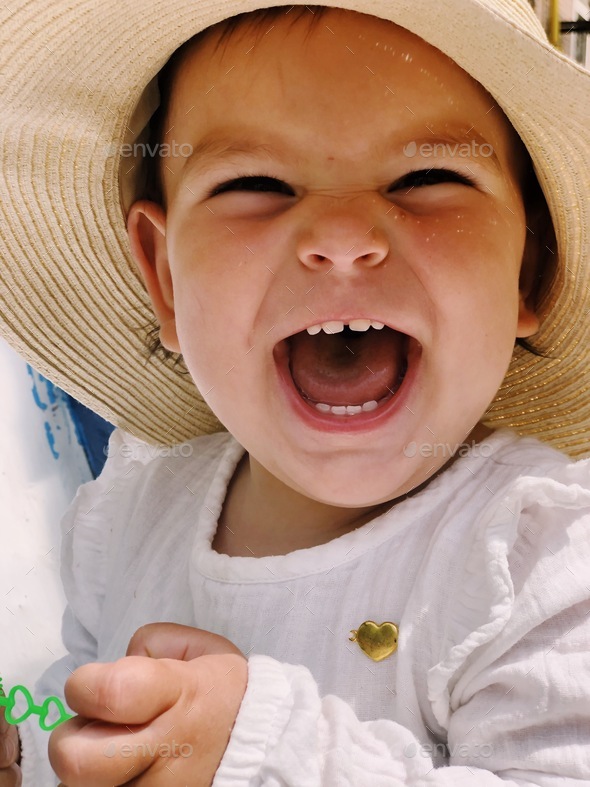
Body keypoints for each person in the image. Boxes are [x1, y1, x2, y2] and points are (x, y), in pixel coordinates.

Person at [0, 0, 589, 784]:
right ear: (165, 277)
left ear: (529, 267)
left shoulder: (541, 561)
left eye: (426, 175)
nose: (342, 239)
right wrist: (29, 754)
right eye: (258, 183)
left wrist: (267, 755)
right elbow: (85, 718)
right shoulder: (133, 514)